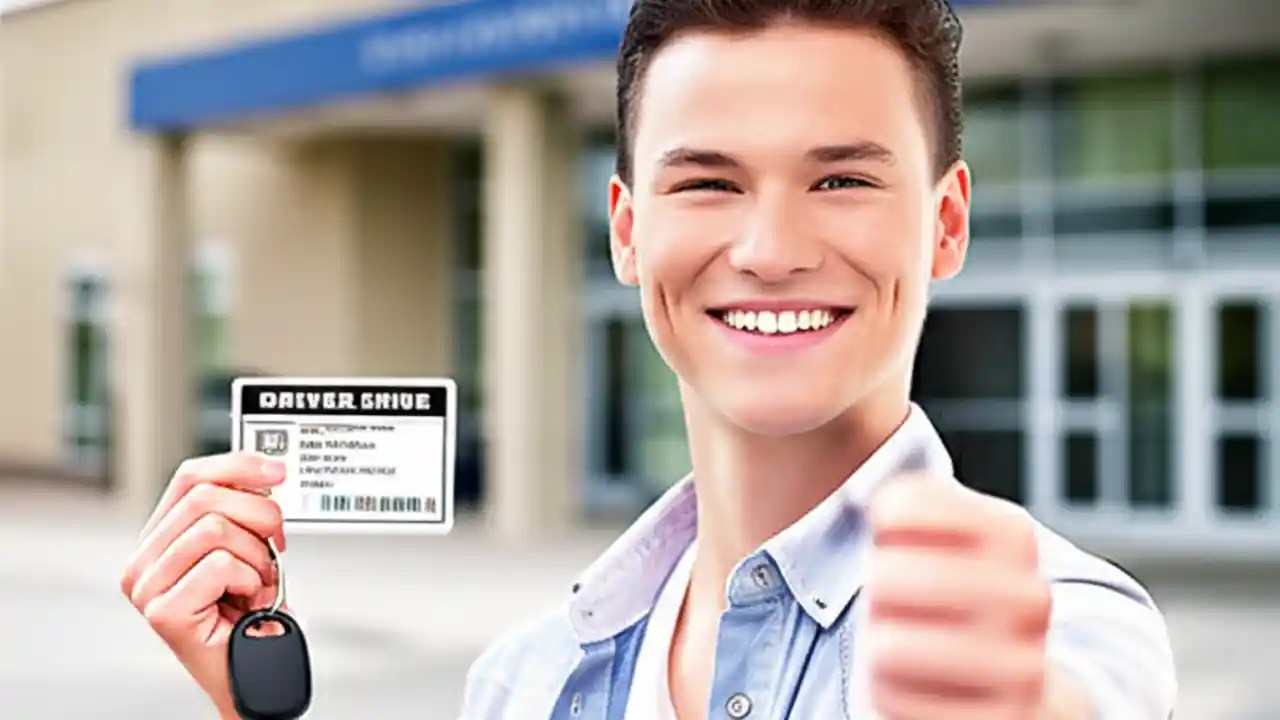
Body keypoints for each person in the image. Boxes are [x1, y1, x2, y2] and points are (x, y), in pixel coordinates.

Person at [120, 0, 1179, 718]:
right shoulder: (521, 681)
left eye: (841, 181)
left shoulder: (1069, 627)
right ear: (625, 232)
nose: (768, 252)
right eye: (707, 182)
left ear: (944, 224)